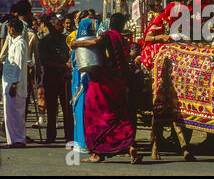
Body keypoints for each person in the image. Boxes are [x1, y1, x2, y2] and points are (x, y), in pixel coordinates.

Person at [70, 13, 142, 164]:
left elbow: (95, 41)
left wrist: (77, 44)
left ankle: (96, 153)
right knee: (117, 117)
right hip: (119, 83)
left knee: (94, 116)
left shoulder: (108, 35)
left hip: (103, 83)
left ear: (110, 24)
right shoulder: (122, 40)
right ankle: (129, 147)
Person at [39, 17, 73, 143]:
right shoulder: (44, 42)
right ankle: (50, 136)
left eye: (62, 25)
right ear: (52, 26)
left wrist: (68, 65)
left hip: (64, 78)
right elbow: (45, 61)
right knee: (52, 108)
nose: (62, 27)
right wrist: (63, 66)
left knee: (67, 108)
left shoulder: (66, 39)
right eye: (59, 25)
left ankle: (69, 135)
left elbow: (71, 54)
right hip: (51, 77)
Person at [70, 10, 98, 154]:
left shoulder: (81, 42)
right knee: (81, 110)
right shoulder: (77, 42)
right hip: (81, 83)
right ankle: (83, 142)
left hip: (90, 82)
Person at [2, 17, 28, 147]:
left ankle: (18, 139)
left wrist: (14, 84)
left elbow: (19, 64)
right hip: (9, 84)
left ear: (12, 29)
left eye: (9, 28)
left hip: (15, 85)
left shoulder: (20, 43)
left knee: (16, 114)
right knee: (10, 113)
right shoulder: (14, 42)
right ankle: (12, 139)